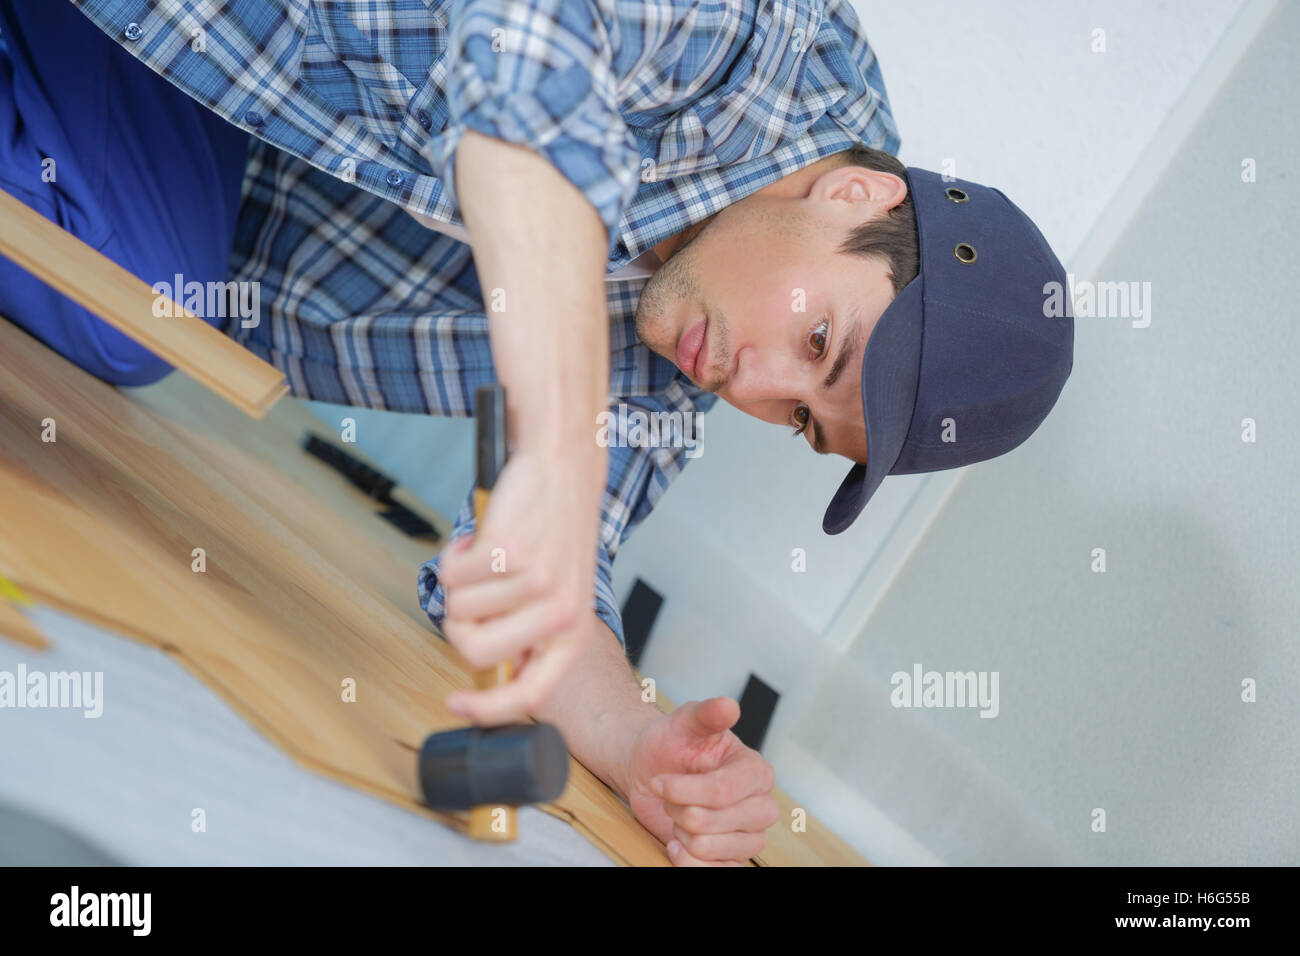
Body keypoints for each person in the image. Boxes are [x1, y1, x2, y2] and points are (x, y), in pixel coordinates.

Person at [0, 0, 1072, 865]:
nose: (757, 381)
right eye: (819, 338)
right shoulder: (748, 43)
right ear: (852, 192)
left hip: (158, 91)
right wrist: (558, 436)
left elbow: (546, 581)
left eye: (800, 419)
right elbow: (525, 49)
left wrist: (635, 744)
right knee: (129, 306)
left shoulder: (679, 345)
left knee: (137, 305)